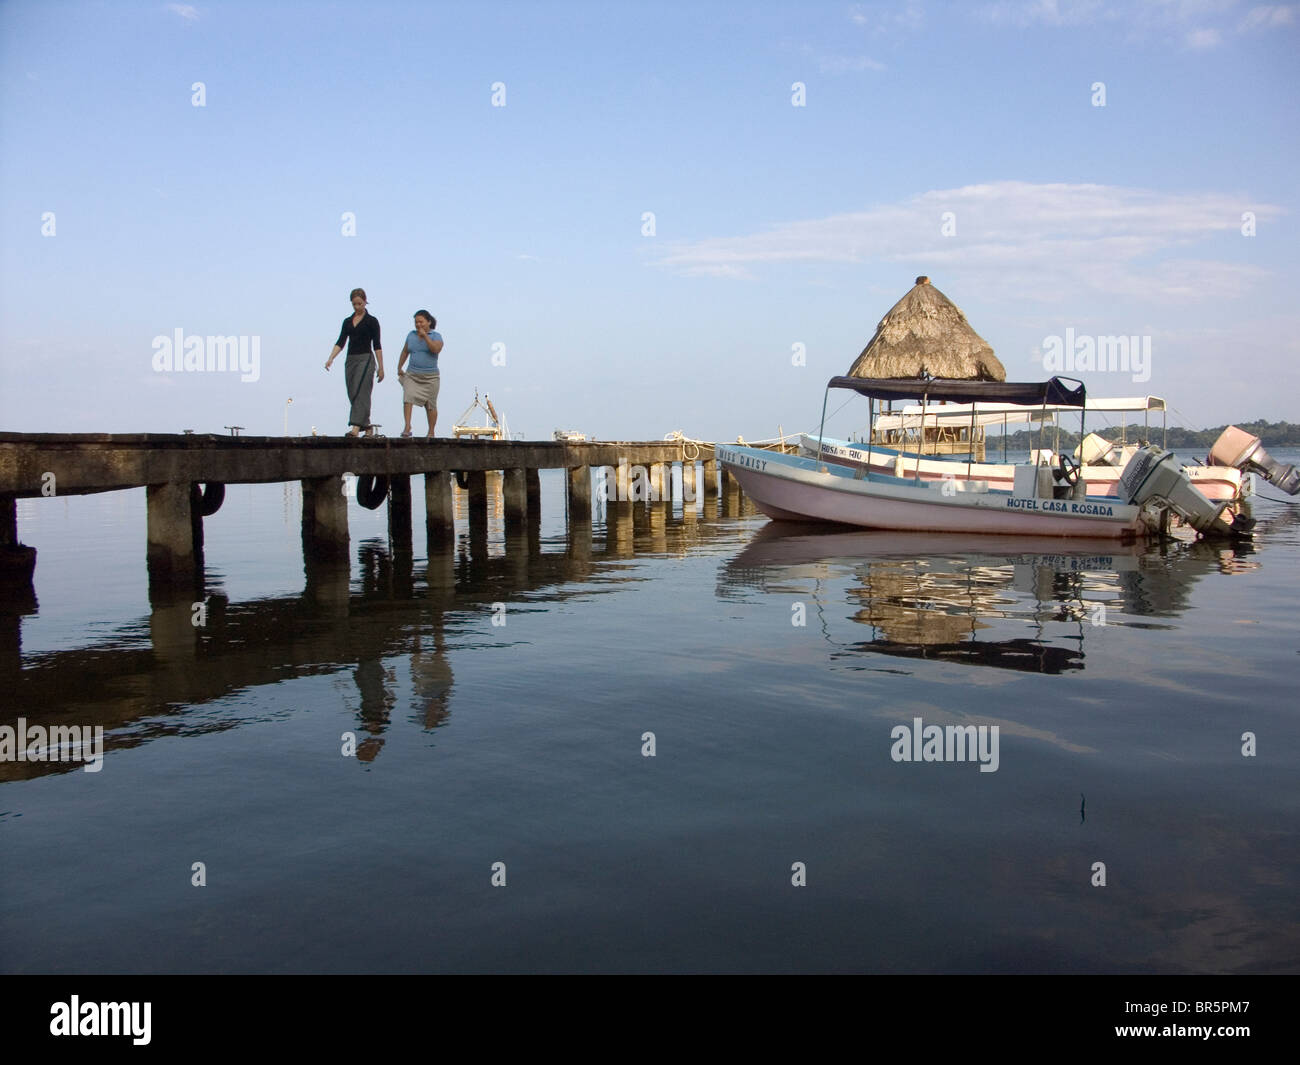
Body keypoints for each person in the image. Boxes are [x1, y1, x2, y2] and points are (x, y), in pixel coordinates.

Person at [324, 288, 384, 437]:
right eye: (354, 304)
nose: (357, 307)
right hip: (351, 359)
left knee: (361, 391)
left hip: (366, 359)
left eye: (360, 303)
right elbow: (341, 341)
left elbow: (377, 345)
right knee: (353, 392)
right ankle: (367, 426)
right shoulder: (347, 322)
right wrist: (331, 358)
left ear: (365, 302)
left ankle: (355, 428)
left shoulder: (372, 321)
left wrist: (381, 367)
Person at [396, 310, 443, 438]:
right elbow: (405, 351)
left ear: (428, 322)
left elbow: (435, 349)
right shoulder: (411, 335)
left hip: (431, 377)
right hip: (412, 374)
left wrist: (425, 336)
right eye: (416, 322)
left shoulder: (436, 336)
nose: (418, 324)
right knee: (407, 397)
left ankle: (431, 431)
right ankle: (407, 426)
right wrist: (399, 366)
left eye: (421, 321)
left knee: (430, 405)